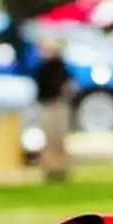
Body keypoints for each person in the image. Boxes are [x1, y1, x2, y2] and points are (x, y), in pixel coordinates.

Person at [33, 37, 73, 183]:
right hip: (47, 106)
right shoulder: (41, 68)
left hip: (58, 105)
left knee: (59, 140)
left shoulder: (61, 68)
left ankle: (61, 169)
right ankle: (50, 169)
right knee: (49, 140)